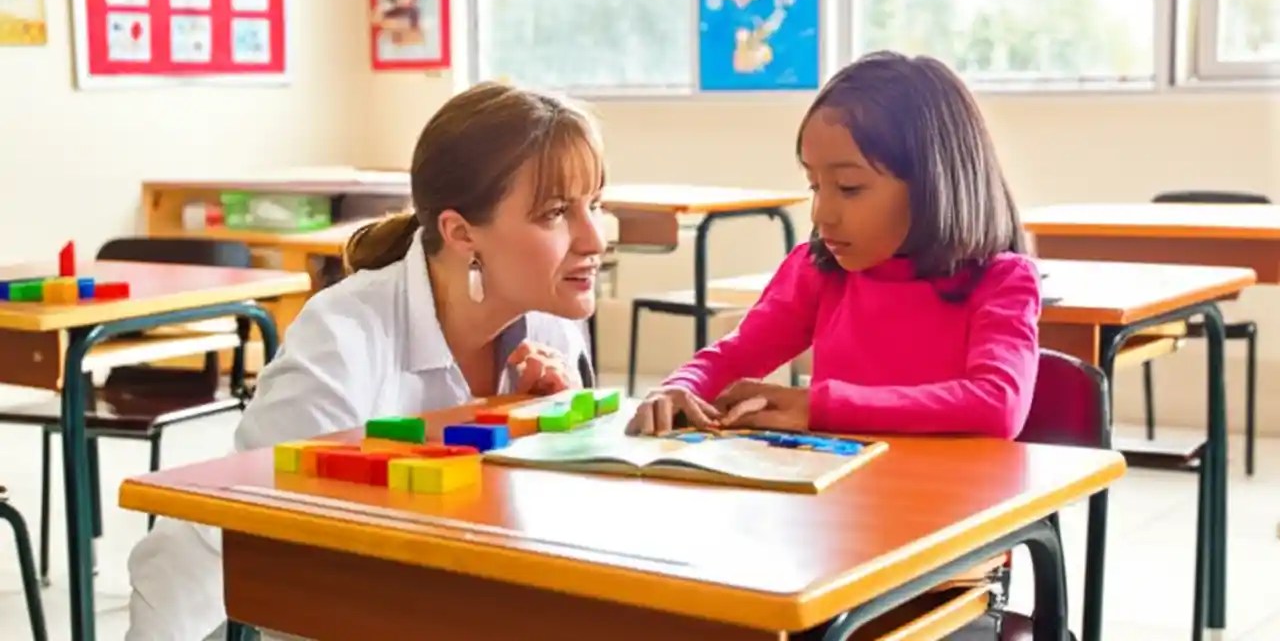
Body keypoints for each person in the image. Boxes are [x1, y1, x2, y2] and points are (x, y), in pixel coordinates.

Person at [125, 81, 609, 640]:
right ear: (460, 233)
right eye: (555, 213)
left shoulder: (552, 316)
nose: (594, 238)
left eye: (594, 205)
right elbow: (228, 528)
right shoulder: (344, 336)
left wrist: (564, 432)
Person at [626, 51, 1041, 439]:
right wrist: (681, 386)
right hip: (843, 501)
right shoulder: (820, 270)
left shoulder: (1003, 281)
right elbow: (735, 356)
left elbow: (997, 406)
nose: (821, 213)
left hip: (957, 507)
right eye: (814, 185)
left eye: (849, 187)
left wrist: (820, 407)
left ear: (933, 185)